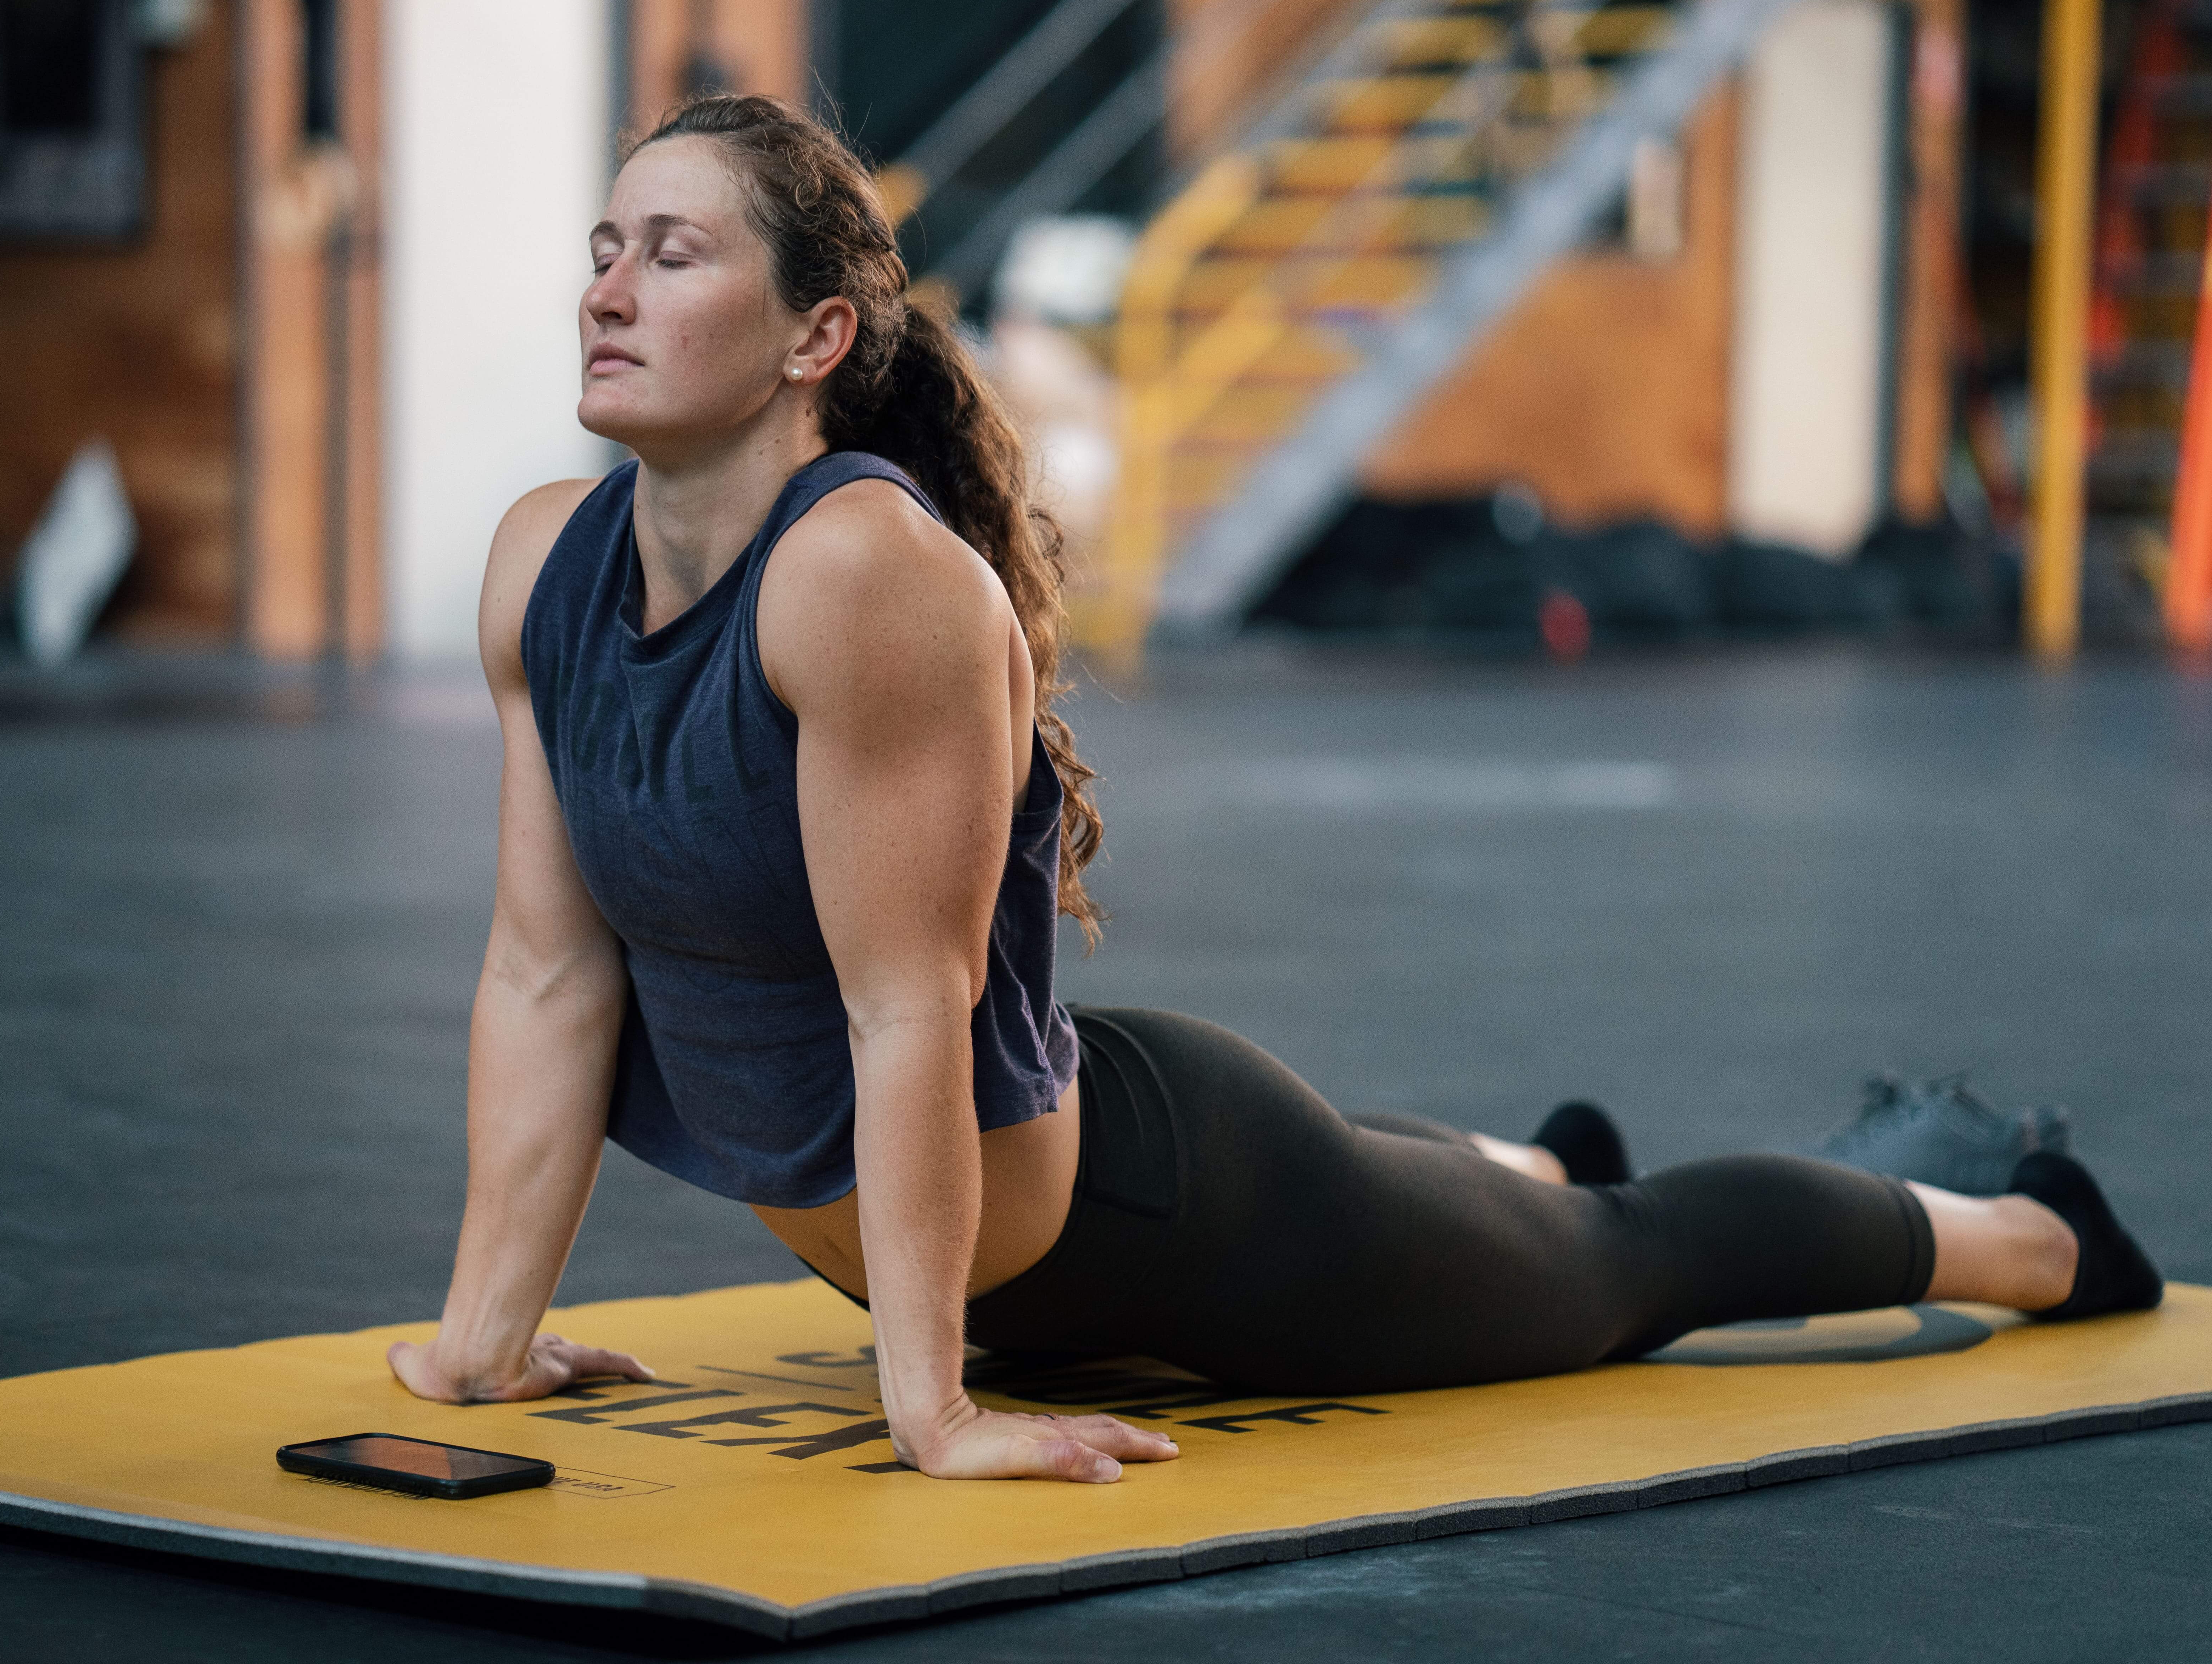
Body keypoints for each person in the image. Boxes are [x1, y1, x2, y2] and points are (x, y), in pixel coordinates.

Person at [386, 94, 2164, 1484]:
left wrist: (930, 1408)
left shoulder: (859, 576)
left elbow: (905, 1006)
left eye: (674, 255)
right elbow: (550, 970)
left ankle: (2026, 1234)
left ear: (814, 337)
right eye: (606, 248)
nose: (606, 289)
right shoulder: (544, 560)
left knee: (1622, 1266)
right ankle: (1515, 1157)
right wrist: (483, 1337)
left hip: (1163, 1212)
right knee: (1486, 1209)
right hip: (974, 1248)